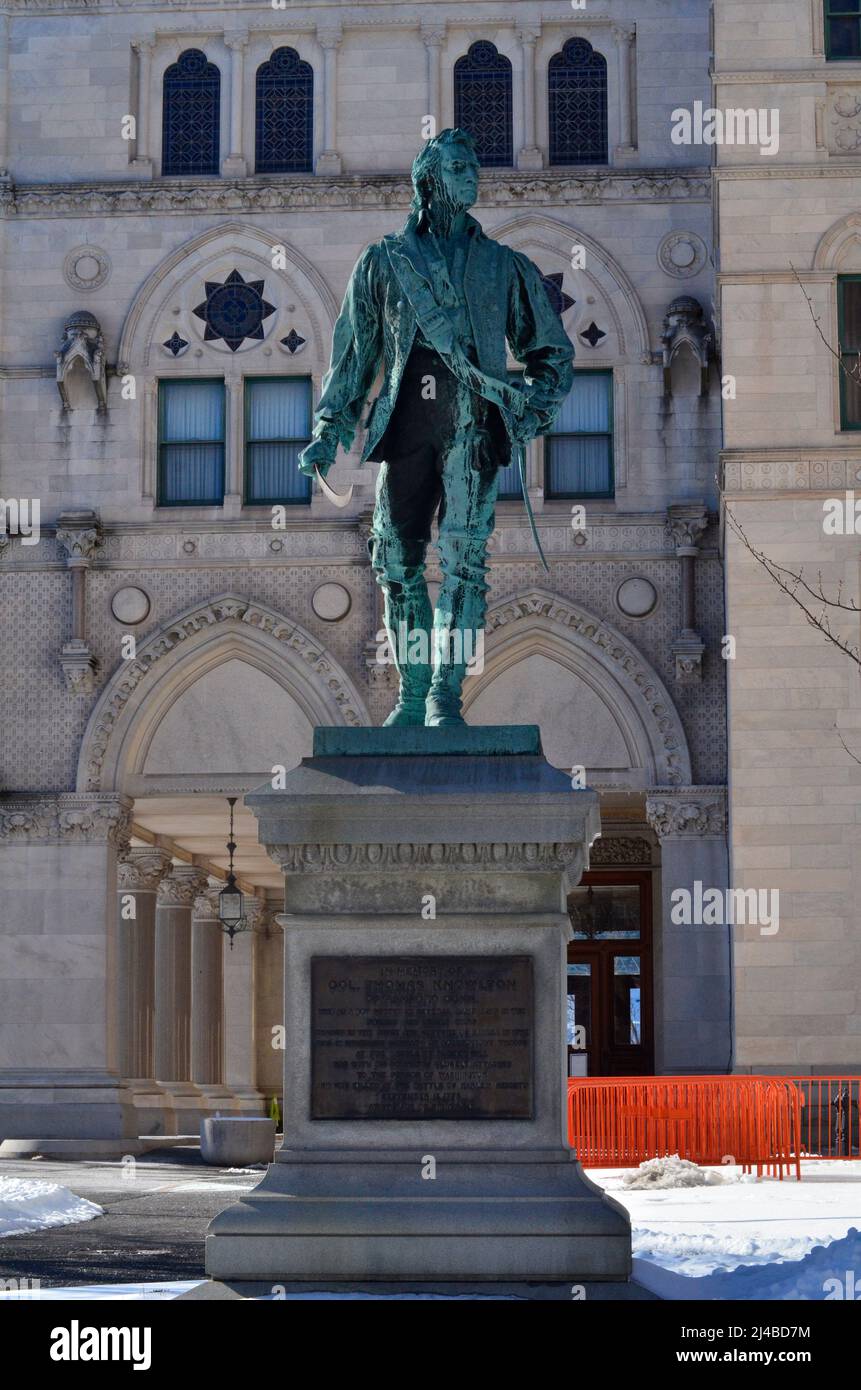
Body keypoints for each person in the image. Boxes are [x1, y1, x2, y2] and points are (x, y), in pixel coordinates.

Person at [299, 129, 574, 726]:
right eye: (457, 168)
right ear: (429, 181)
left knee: (464, 562)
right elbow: (354, 356)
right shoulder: (382, 262)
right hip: (406, 425)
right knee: (396, 560)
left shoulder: (505, 266)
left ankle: (444, 697)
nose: (471, 177)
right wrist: (329, 428)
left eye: (475, 168)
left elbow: (553, 355)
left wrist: (529, 410)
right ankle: (410, 692)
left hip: (471, 426)